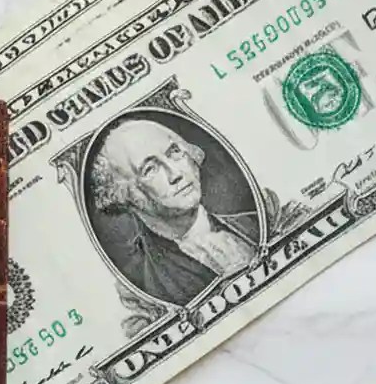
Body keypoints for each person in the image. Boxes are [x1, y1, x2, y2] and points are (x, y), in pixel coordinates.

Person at [91, 118, 261, 306]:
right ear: (124, 196)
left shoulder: (256, 223)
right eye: (150, 169)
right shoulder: (149, 289)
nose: (176, 174)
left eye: (174, 152)